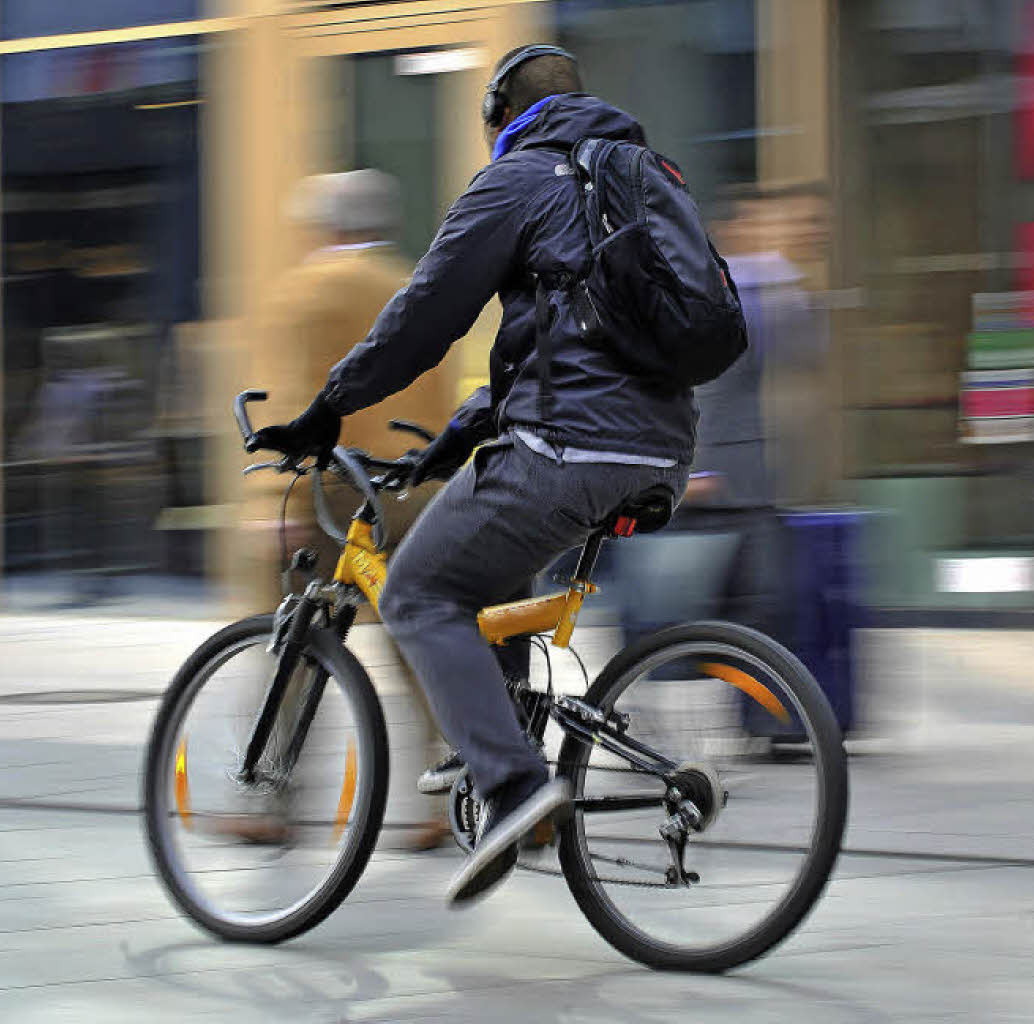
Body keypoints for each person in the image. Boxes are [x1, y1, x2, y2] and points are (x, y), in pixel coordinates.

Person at [249, 45, 697, 905]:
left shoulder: (517, 180)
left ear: (499, 114)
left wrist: (327, 408)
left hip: (567, 449)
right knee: (495, 571)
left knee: (416, 594)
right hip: (661, 449)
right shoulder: (639, 179)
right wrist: (452, 442)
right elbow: (567, 351)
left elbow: (425, 316)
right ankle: (516, 762)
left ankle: (515, 788)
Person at [243, 169, 458, 849]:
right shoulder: (412, 285)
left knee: (295, 644)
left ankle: (272, 797)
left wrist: (265, 503)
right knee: (421, 646)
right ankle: (452, 795)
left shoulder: (308, 290)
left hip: (340, 493)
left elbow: (288, 402)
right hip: (419, 489)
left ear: (325, 228)